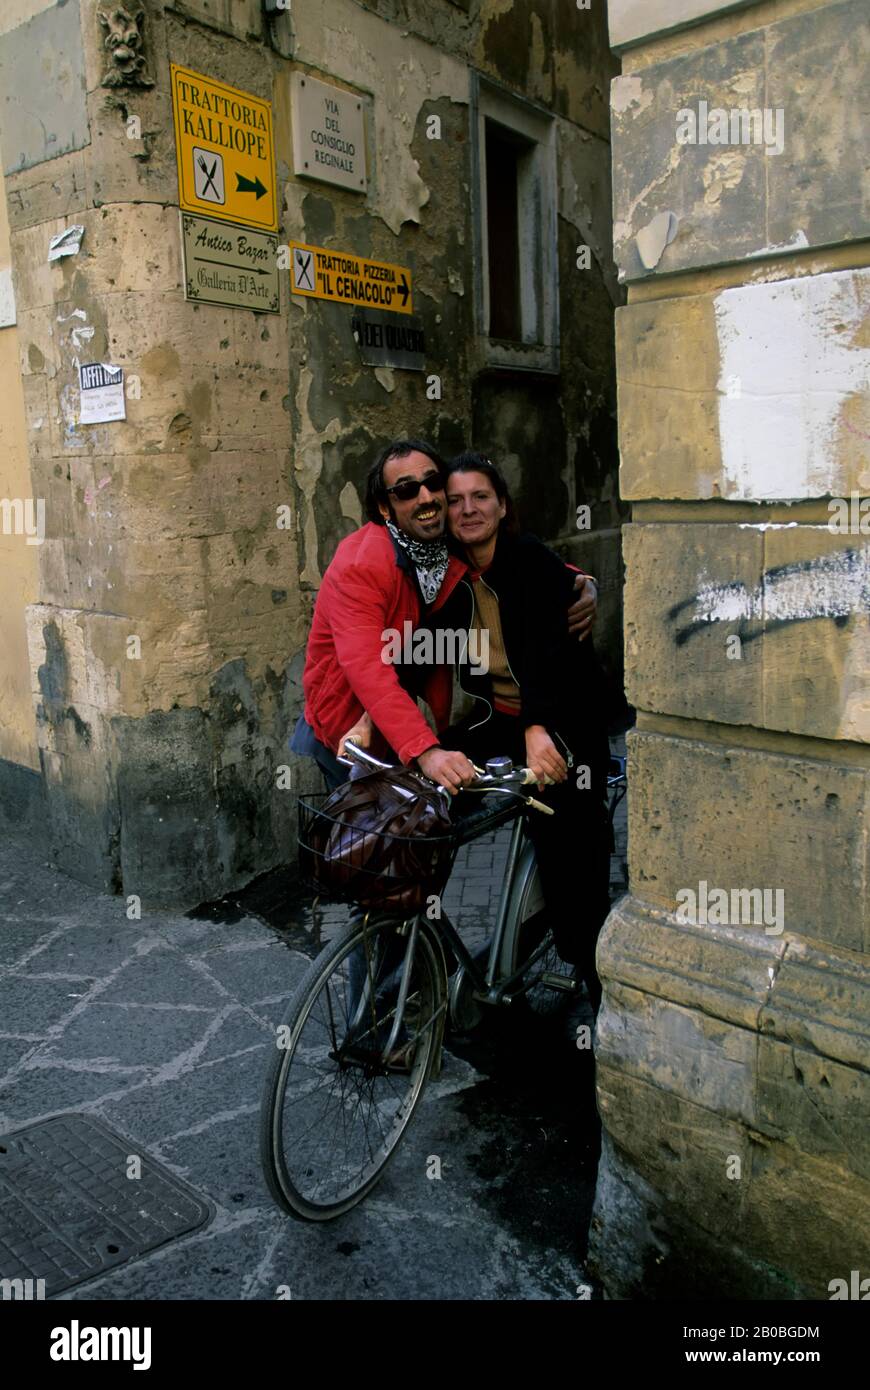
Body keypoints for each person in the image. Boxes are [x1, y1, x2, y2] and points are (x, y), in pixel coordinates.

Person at [341, 452, 613, 1011]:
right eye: (457, 499)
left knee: (573, 858)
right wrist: (374, 716)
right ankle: (422, 933)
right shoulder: (451, 575)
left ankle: (599, 989)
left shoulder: (530, 560)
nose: (466, 509)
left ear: (502, 505)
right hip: (500, 721)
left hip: (561, 718)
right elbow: (420, 649)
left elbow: (547, 652)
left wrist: (539, 727)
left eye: (480, 498)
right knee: (421, 792)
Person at [290, 438, 598, 795]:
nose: (424, 497)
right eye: (406, 490)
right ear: (385, 507)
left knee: (430, 824)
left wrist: (578, 581)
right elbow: (367, 668)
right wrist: (424, 749)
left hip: (402, 723)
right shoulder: (361, 566)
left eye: (434, 483)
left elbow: (519, 559)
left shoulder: (441, 545)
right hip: (350, 732)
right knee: (372, 840)